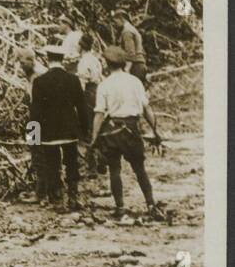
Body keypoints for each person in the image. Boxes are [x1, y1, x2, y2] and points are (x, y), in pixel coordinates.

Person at [89, 46, 166, 222]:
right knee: (140, 169)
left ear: (107, 65)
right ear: (123, 64)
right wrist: (155, 130)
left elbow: (99, 114)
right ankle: (150, 204)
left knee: (114, 170)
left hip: (112, 131)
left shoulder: (104, 85)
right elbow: (147, 109)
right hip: (132, 129)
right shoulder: (135, 82)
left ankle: (120, 207)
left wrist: (94, 138)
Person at [29, 46, 84, 211]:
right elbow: (81, 107)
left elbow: (35, 112)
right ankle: (74, 197)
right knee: (72, 163)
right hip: (69, 131)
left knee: (53, 165)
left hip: (49, 132)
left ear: (47, 59)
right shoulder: (73, 80)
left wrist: (33, 136)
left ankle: (57, 199)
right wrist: (84, 131)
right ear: (62, 59)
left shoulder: (39, 82)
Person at [76, 33, 104, 174]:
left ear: (81, 46)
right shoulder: (95, 59)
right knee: (97, 126)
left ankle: (92, 166)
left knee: (87, 126)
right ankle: (102, 160)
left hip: (88, 94)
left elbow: (82, 84)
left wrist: (77, 101)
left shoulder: (83, 63)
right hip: (97, 91)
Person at [115, 7, 149, 85]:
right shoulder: (132, 29)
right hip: (140, 65)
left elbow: (130, 53)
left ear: (121, 19)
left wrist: (127, 70)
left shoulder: (126, 32)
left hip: (135, 67)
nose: (115, 24)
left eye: (115, 21)